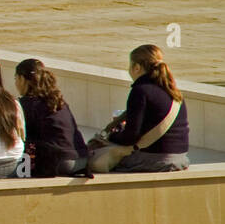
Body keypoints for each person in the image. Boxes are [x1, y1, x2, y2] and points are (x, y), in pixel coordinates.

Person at [89, 44, 190, 173]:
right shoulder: (173, 91)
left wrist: (112, 136)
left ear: (136, 67)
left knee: (95, 159)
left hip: (156, 160)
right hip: (181, 158)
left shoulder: (140, 91)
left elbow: (130, 137)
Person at [14, 59, 89, 177]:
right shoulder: (58, 100)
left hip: (59, 162)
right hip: (81, 159)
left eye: (16, 79)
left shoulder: (26, 104)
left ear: (22, 79)